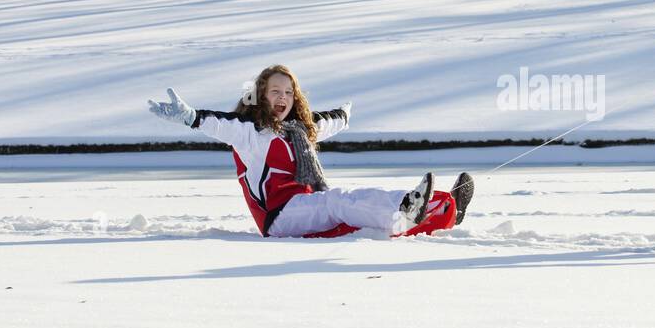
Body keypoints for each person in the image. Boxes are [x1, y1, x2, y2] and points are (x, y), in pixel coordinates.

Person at [148, 63, 474, 238]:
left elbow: (329, 121)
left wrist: (345, 114)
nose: (282, 97)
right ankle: (402, 210)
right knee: (337, 201)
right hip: (279, 218)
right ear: (260, 96)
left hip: (303, 206)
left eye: (288, 92)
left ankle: (441, 205)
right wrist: (190, 117)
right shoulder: (249, 132)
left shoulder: (301, 130)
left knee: (349, 203)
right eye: (275, 91)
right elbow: (218, 123)